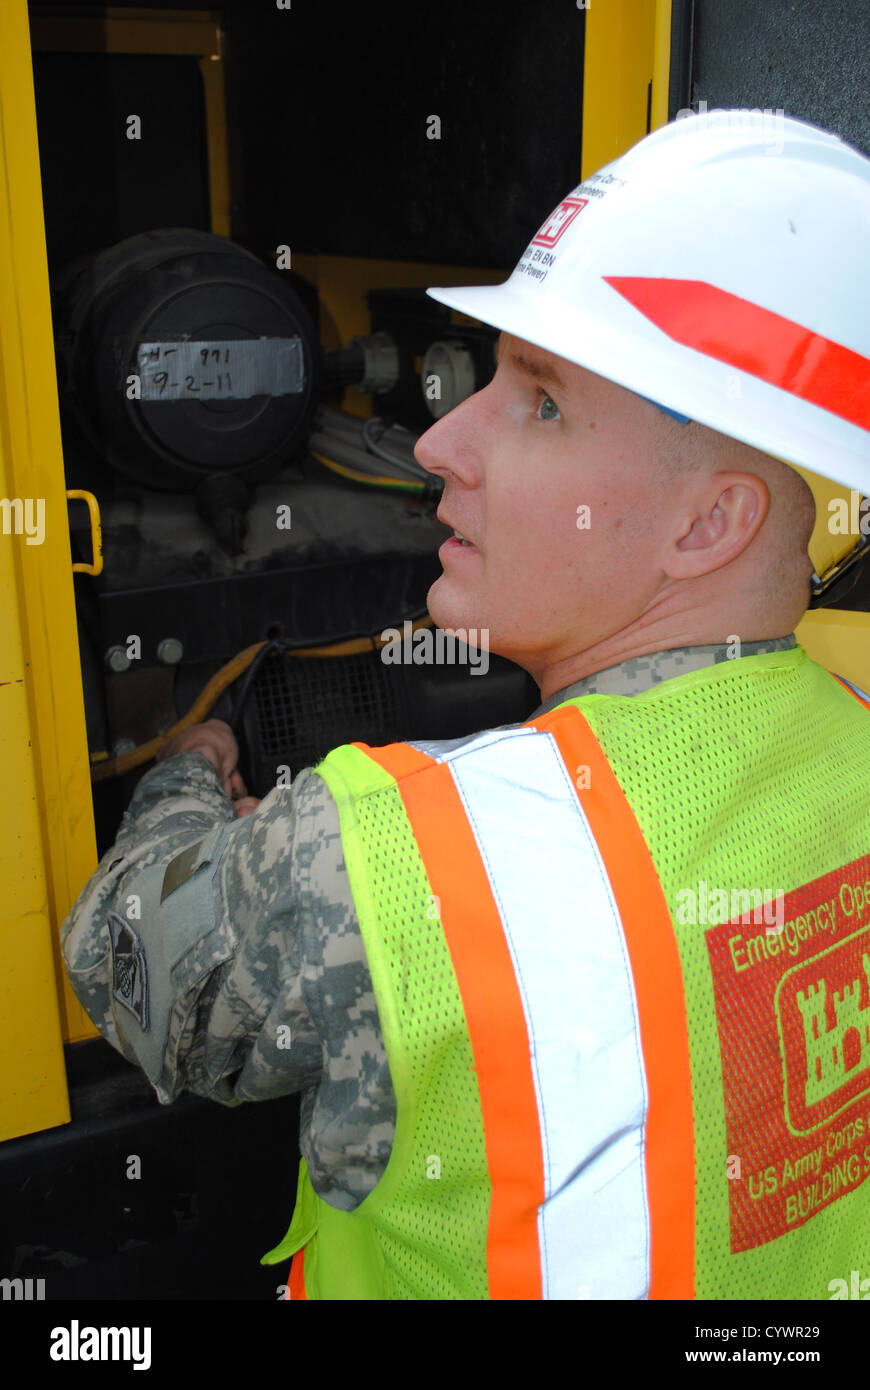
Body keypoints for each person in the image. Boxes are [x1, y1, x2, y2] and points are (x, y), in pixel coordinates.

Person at [62, 109, 870, 1300]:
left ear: (711, 524)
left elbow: (117, 952)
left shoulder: (388, 861)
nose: (441, 439)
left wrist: (191, 763)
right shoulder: (850, 726)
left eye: (541, 403)